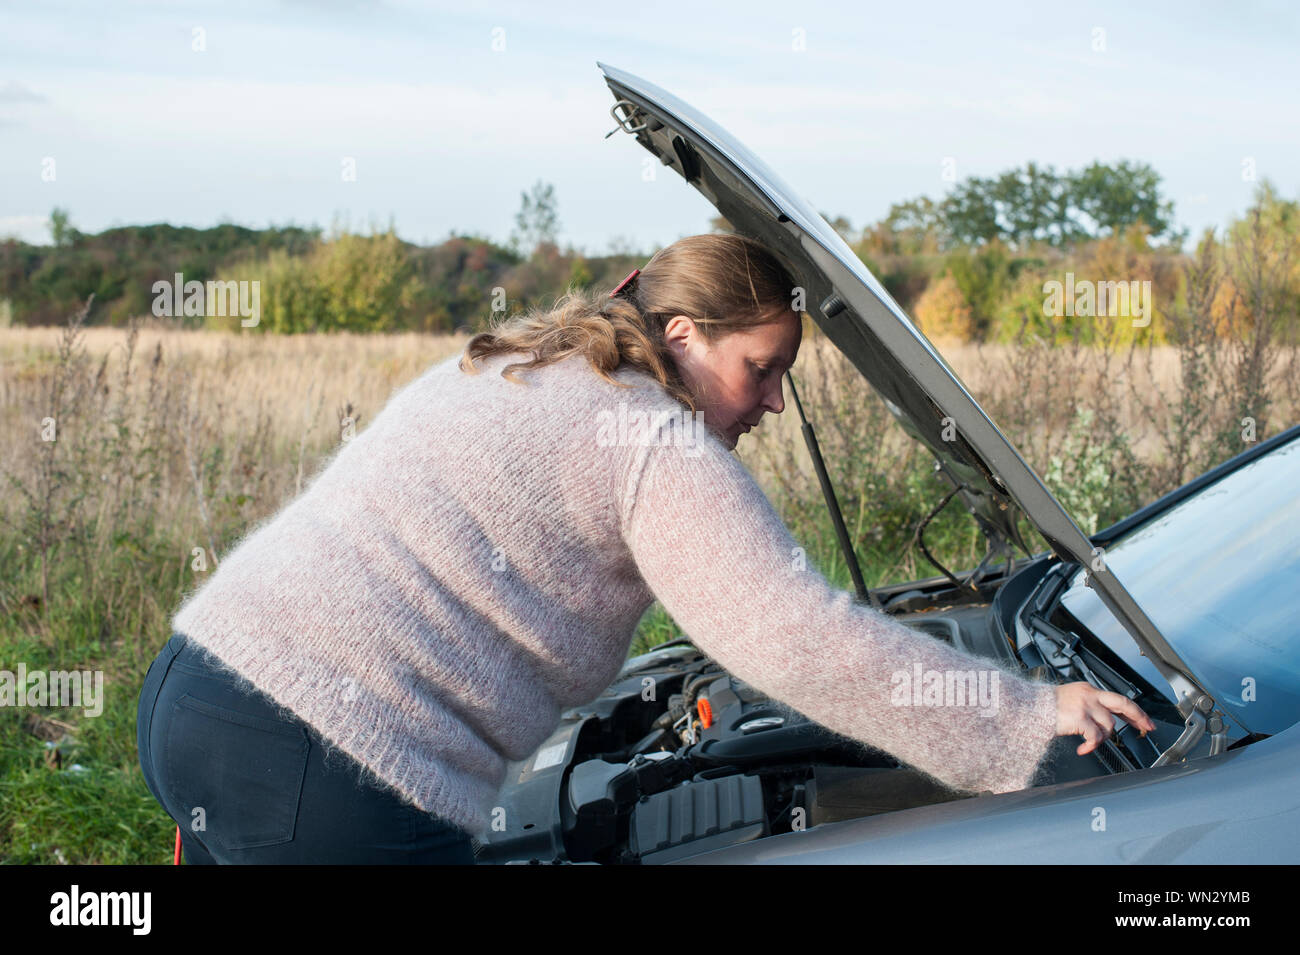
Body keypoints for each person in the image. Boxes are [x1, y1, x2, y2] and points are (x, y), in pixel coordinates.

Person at [136, 232, 1155, 864]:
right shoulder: (650, 441)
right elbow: (796, 640)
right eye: (760, 368)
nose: (772, 400)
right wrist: (1022, 715)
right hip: (331, 767)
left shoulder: (527, 363)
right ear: (679, 336)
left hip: (201, 693)